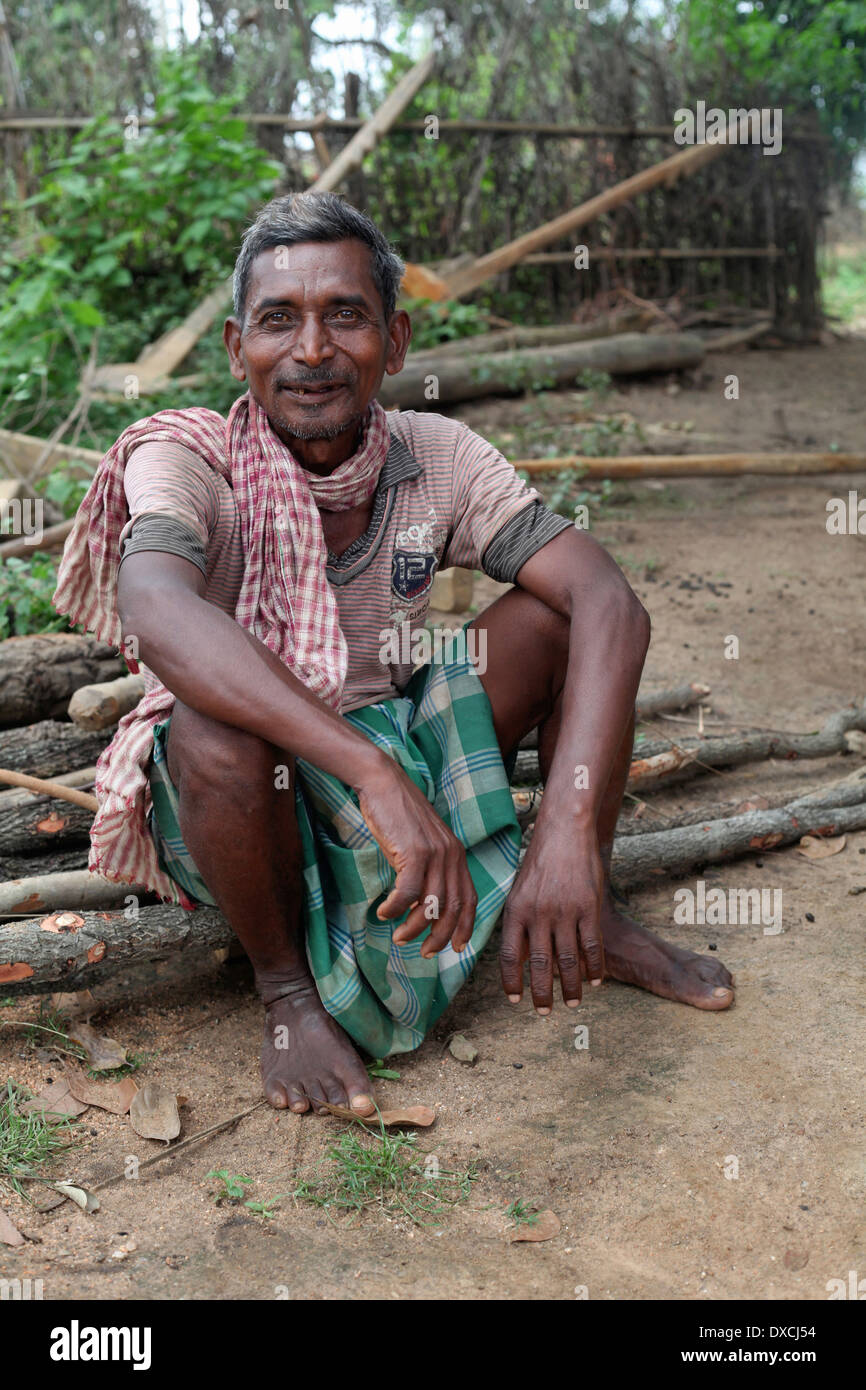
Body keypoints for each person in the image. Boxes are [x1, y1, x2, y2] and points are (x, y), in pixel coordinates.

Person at [53, 192, 734, 1118]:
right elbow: (157, 610)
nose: (312, 350)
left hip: (400, 734)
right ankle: (289, 997)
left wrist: (566, 836)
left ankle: (591, 909)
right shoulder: (188, 457)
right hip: (258, 792)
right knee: (211, 726)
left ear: (396, 339)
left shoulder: (436, 454)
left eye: (346, 315)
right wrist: (371, 772)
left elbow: (608, 598)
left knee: (562, 618)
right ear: (233, 346)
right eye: (279, 320)